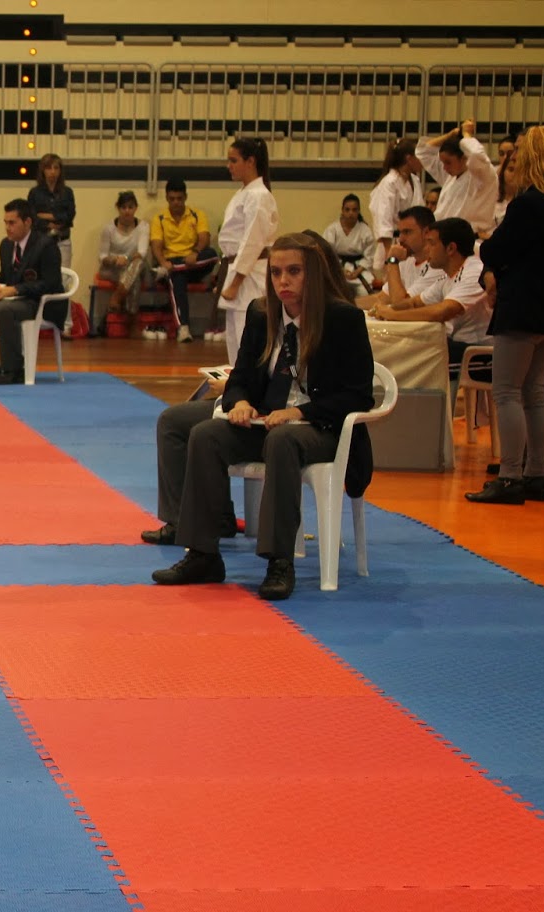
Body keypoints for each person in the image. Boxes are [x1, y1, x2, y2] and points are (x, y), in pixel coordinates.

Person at [152, 232, 375, 601]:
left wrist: (299, 411)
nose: (282, 281)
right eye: (275, 273)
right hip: (268, 423)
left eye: (294, 271)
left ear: (313, 275)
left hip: (320, 428)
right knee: (206, 434)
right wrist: (238, 402)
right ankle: (203, 554)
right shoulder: (262, 315)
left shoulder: (344, 319)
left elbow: (358, 395)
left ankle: (279, 561)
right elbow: (240, 378)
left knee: (283, 438)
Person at [461, 126, 544, 505]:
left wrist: (490, 253)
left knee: (506, 390)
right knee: (534, 393)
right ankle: (536, 474)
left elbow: (496, 250)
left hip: (521, 306)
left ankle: (509, 476)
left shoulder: (527, 204)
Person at [370, 218, 491, 383]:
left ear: (450, 248)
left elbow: (442, 312)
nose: (426, 250)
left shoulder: (474, 272)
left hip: (481, 354)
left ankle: (428, 407)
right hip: (459, 346)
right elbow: (409, 303)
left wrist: (391, 314)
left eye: (431, 244)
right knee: (404, 348)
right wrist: (387, 309)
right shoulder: (446, 278)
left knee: (415, 357)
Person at [0, 198, 64, 384]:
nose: (8, 228)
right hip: (17, 299)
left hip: (40, 302)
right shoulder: (6, 245)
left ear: (27, 222)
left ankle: (14, 369)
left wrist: (15, 289)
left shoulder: (46, 245)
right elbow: (8, 277)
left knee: (4, 310)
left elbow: (50, 283)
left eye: (12, 223)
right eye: (5, 223)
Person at [217, 137, 281, 363]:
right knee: (235, 341)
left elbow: (252, 242)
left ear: (250, 161)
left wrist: (235, 283)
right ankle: (236, 388)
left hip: (249, 276)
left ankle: (248, 391)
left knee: (249, 339)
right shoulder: (246, 193)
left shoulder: (259, 195)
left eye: (234, 160)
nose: (229, 166)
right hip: (238, 269)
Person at [148, 178, 217, 343]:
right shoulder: (159, 219)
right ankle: (183, 328)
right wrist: (163, 262)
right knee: (177, 280)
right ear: (167, 198)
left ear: (185, 197)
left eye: (179, 198)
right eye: (172, 199)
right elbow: (156, 245)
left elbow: (204, 238)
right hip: (170, 264)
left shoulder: (197, 215)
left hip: (194, 263)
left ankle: (173, 268)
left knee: (213, 254)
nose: (176, 202)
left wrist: (195, 252)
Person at [416, 120, 499, 234]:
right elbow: (423, 151)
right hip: (443, 236)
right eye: (443, 162)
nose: (444, 167)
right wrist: (450, 135)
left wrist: (467, 135)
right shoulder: (450, 176)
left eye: (448, 162)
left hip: (471, 239)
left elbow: (476, 154)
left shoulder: (482, 176)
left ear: (463, 158)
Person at [368, 137, 424, 272]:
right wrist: (389, 254)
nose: (423, 161)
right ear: (409, 158)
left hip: (413, 244)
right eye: (420, 157)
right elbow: (383, 220)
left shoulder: (414, 181)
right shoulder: (389, 183)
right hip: (393, 243)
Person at [95, 190, 149, 322]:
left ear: (136, 208)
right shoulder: (108, 228)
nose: (127, 211)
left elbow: (142, 252)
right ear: (118, 208)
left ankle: (116, 298)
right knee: (133, 278)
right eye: (123, 207)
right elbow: (102, 256)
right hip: (112, 269)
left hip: (133, 265)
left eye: (130, 207)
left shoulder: (143, 226)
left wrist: (125, 259)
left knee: (137, 264)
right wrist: (114, 260)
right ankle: (131, 319)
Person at [28, 152, 75, 276]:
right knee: (43, 275)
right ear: (43, 170)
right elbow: (32, 218)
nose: (53, 172)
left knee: (64, 277)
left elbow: (69, 216)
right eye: (49, 168)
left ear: (60, 171)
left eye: (56, 168)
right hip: (42, 240)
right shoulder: (35, 193)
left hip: (62, 240)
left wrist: (47, 216)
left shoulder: (67, 192)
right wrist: (50, 223)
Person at [322, 194, 377, 296]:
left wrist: (356, 272)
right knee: (332, 290)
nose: (350, 213)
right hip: (337, 267)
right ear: (342, 211)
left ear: (358, 211)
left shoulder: (365, 230)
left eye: (354, 210)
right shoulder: (332, 230)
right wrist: (341, 271)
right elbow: (327, 253)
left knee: (364, 292)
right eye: (347, 210)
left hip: (359, 268)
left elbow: (370, 257)